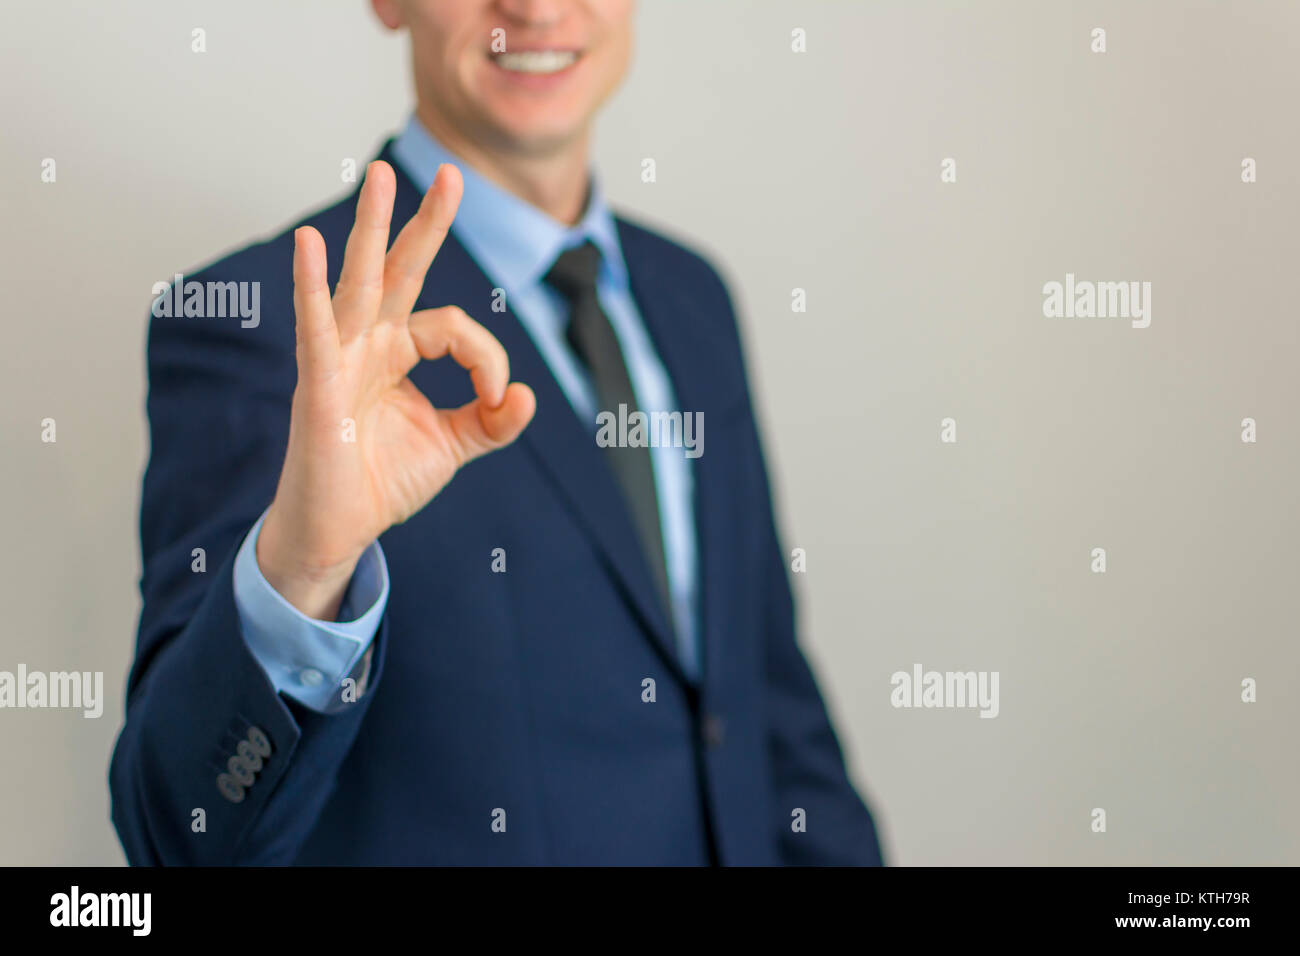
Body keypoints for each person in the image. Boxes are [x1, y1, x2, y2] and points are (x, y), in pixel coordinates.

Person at [109, 0, 884, 865]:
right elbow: (175, 833)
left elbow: (770, 701)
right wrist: (306, 571)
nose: (537, 9)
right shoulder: (267, 324)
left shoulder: (695, 298)